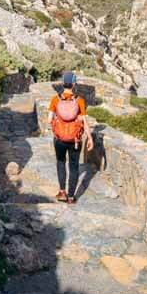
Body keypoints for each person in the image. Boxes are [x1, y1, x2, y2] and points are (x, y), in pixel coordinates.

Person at [47, 71, 91, 204]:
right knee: (74, 166)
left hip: (59, 139)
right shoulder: (80, 101)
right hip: (75, 140)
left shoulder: (56, 99)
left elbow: (49, 120)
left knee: (61, 163)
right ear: (73, 84)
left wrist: (58, 121)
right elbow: (84, 121)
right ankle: (71, 197)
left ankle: (62, 192)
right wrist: (90, 138)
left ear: (63, 83)